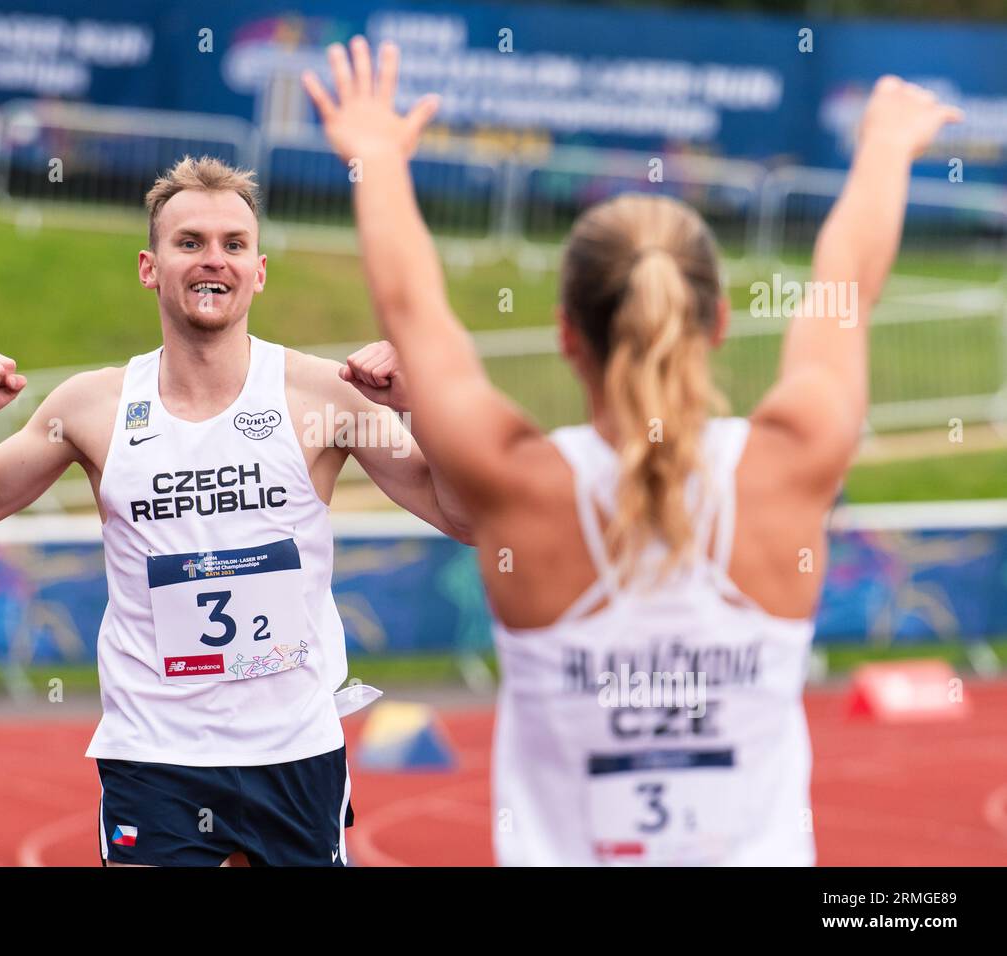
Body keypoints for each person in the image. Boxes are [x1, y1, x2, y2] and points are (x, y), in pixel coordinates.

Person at [304, 37, 961, 865]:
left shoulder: (517, 482)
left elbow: (413, 307)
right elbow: (846, 283)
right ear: (718, 324)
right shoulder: (793, 464)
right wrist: (886, 150)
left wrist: (377, 156)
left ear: (567, 333)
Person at [0, 155, 471, 866]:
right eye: (191, 243)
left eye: (233, 245)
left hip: (293, 751)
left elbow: (463, 517)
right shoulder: (92, 407)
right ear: (150, 267)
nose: (214, 260)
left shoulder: (324, 397)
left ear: (259, 270)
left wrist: (422, 406)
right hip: (154, 753)